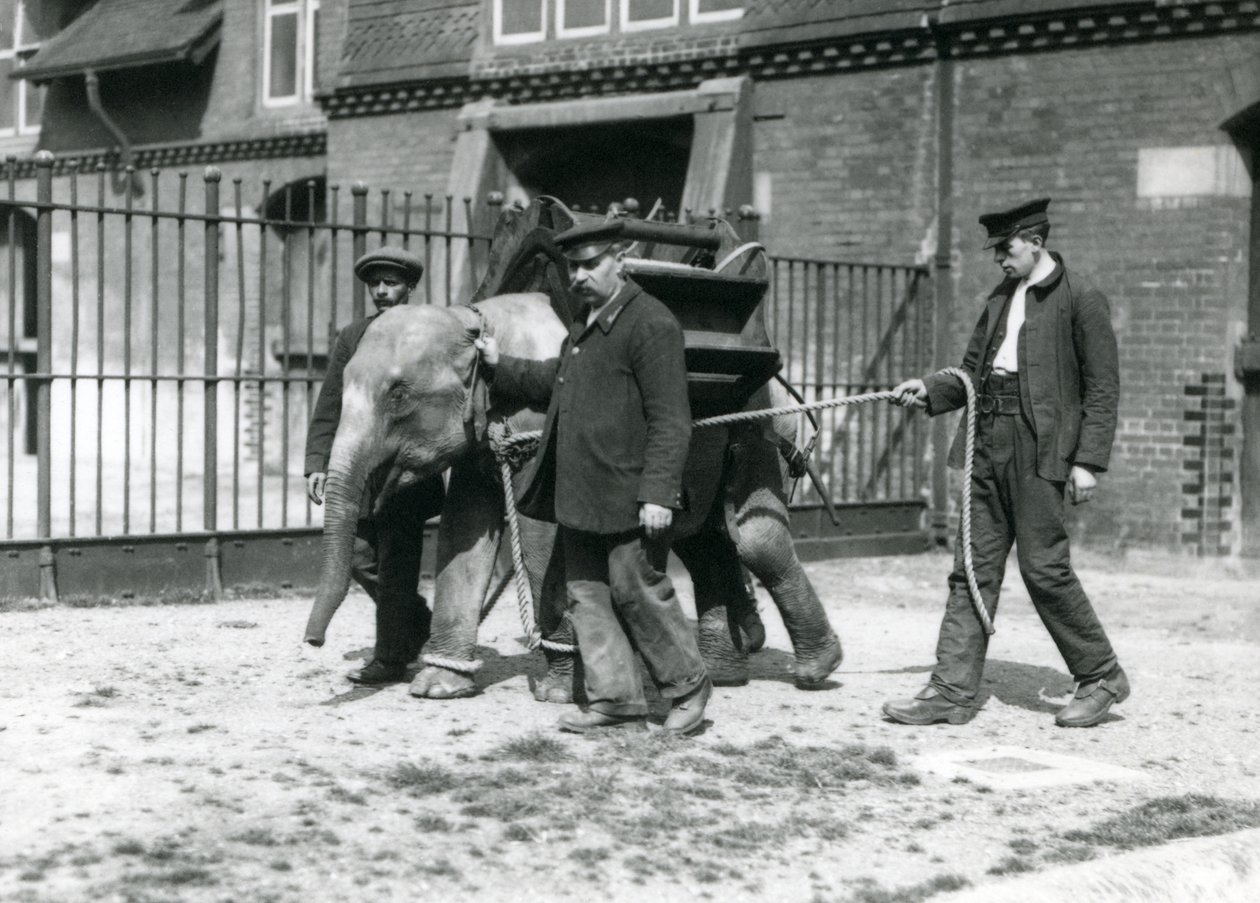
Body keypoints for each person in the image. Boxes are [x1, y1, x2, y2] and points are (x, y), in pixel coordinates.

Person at [882, 198, 1127, 728]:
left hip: (1041, 449)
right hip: (986, 440)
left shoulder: (1081, 298)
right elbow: (970, 372)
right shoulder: (999, 297)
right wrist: (927, 389)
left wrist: (1088, 461)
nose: (1000, 259)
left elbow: (1102, 388)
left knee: (1044, 568)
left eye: (1007, 248)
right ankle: (950, 691)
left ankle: (1102, 674)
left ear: (1035, 242)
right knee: (971, 567)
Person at [475, 220, 712, 735]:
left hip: (630, 495)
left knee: (639, 593)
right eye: (573, 267)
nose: (579, 276)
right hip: (580, 493)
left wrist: (658, 493)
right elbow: (553, 382)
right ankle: (616, 702)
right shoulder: (584, 324)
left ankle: (689, 687)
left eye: (590, 264)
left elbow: (672, 418)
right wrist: (499, 365)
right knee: (588, 598)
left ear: (619, 261)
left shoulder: (650, 323)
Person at [304, 247, 445, 685]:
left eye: (392, 283)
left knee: (398, 563)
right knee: (360, 558)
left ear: (410, 287)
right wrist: (317, 462)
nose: (382, 291)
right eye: (375, 283)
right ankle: (419, 624)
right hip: (361, 472)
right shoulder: (353, 336)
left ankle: (390, 658)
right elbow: (332, 401)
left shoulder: (430, 333)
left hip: (407, 471)